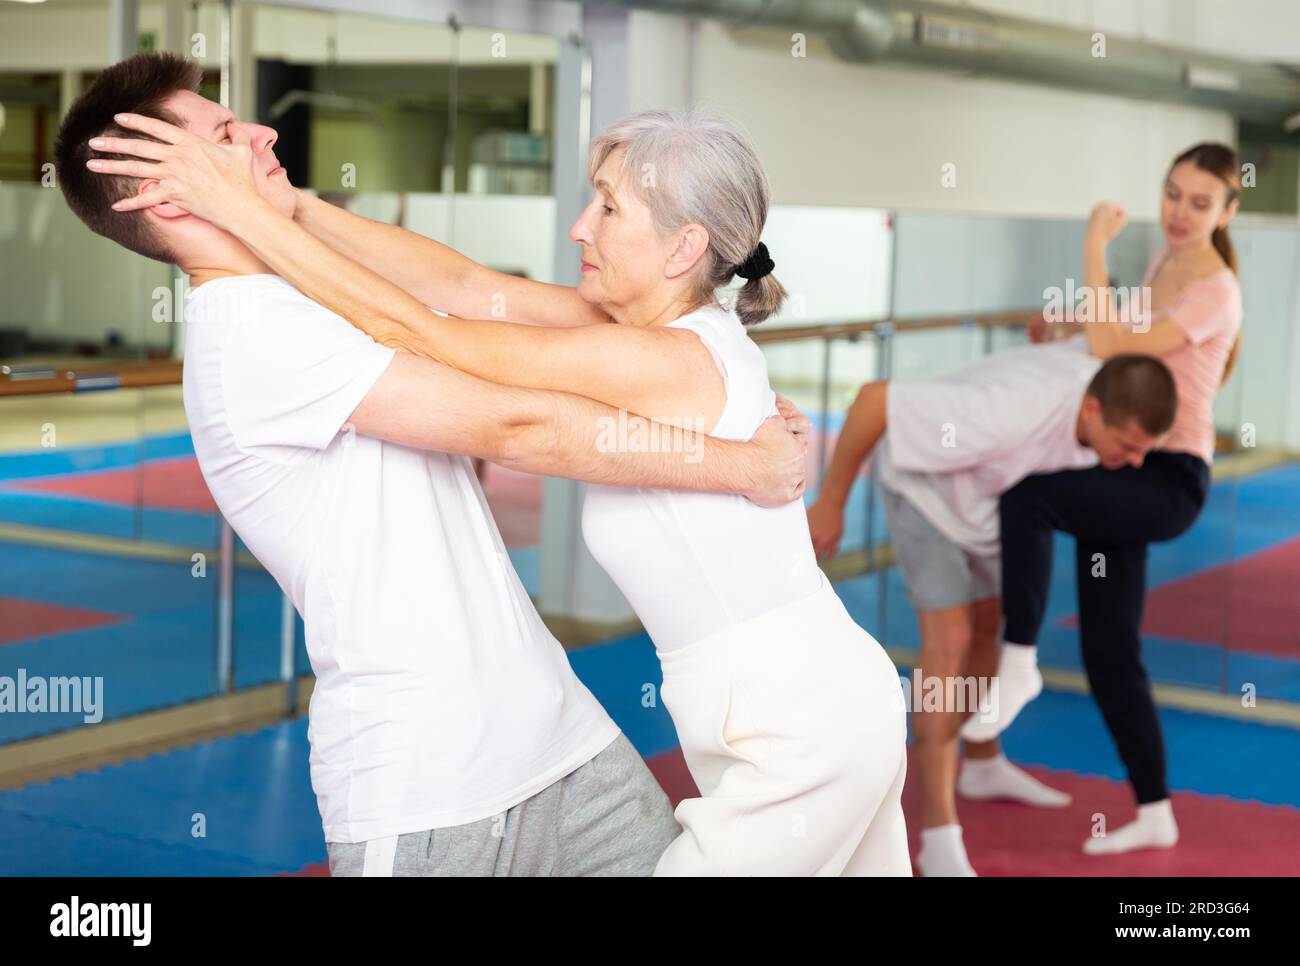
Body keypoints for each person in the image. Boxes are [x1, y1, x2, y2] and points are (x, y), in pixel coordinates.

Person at [95, 103, 915, 876]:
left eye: (608, 208)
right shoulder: (656, 333)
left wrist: (248, 210)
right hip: (830, 705)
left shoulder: (658, 358)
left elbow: (441, 342)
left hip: (803, 734)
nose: (579, 227)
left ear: (681, 249)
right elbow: (457, 286)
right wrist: (289, 206)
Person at [964, 143, 1245, 857]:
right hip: (1127, 469)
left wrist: (1093, 242)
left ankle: (1019, 659)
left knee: (1029, 498)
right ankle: (1156, 810)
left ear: (1228, 211)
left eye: (1200, 202)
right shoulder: (1166, 262)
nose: (1180, 213)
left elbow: (1117, 351)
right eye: (1173, 194)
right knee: (1110, 653)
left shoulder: (1215, 288)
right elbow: (1116, 338)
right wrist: (1064, 325)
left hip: (1169, 479)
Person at [807, 343, 1178, 874]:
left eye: (1145, 451)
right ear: (1093, 411)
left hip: (990, 505)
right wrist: (833, 501)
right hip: (925, 494)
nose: (1134, 463)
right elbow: (874, 400)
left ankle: (981, 764)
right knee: (950, 639)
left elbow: (1082, 342)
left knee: (989, 630)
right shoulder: (1011, 410)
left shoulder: (1108, 391)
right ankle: (938, 836)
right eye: (1127, 447)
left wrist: (1054, 326)